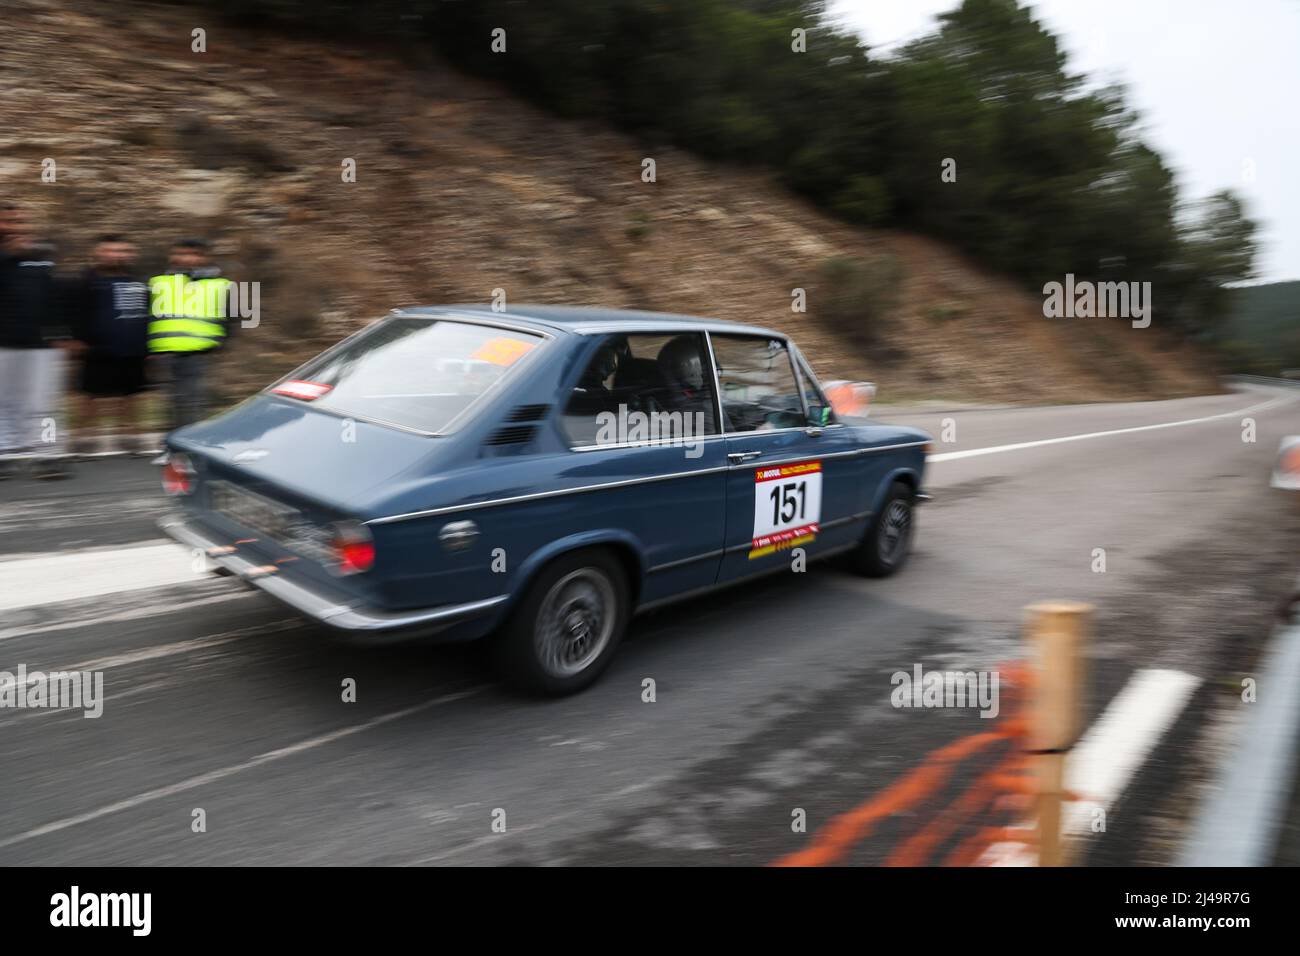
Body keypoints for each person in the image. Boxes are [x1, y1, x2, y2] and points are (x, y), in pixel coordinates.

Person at [0, 204, 75, 479]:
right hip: (4, 342)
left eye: (19, 220)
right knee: (3, 402)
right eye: (8, 221)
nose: (15, 226)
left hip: (41, 344)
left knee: (43, 402)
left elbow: (54, 294)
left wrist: (64, 334)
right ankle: (5, 454)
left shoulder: (41, 253)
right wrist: (7, 255)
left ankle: (48, 455)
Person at [71, 235, 151, 454]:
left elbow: (147, 315)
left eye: (123, 251)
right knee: (90, 395)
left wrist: (149, 346)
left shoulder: (140, 282)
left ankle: (128, 434)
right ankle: (84, 435)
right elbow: (76, 313)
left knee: (131, 395)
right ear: (98, 254)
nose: (117, 255)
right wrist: (76, 340)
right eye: (111, 251)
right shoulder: (88, 281)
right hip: (97, 348)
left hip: (133, 348)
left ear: (131, 254)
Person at [148, 238, 234, 429]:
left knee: (195, 404)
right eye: (180, 253)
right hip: (165, 354)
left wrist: (221, 342)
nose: (186, 259)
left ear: (204, 258)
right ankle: (172, 446)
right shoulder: (157, 282)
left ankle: (190, 447)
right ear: (171, 256)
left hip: (200, 354)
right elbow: (148, 316)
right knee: (171, 404)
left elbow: (234, 316)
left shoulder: (220, 284)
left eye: (193, 254)